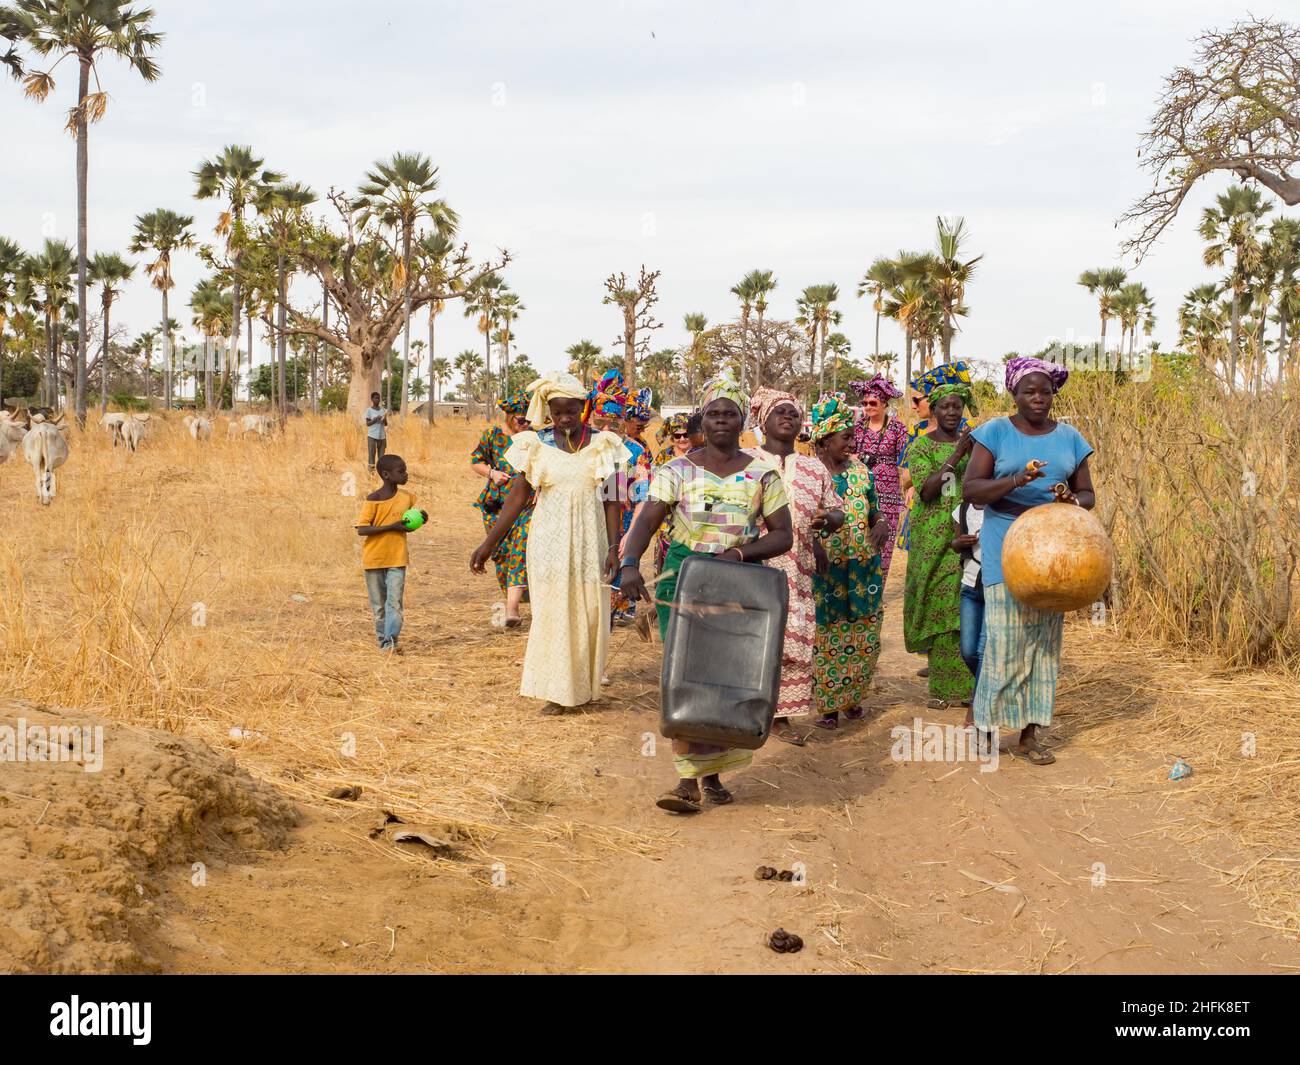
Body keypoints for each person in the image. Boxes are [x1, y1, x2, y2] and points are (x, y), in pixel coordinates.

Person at [619, 376, 793, 813]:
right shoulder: (675, 470)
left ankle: (712, 774)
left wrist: (739, 554)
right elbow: (646, 521)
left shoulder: (762, 472)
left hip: (741, 584)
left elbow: (784, 536)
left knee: (729, 679)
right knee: (685, 676)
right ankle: (686, 781)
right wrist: (628, 563)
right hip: (684, 578)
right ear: (702, 417)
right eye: (713, 413)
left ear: (743, 419)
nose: (720, 421)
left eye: (729, 413)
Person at [962, 357, 1095, 765]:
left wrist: (1072, 501)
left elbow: (1088, 495)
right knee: (1004, 641)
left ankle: (1029, 736)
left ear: (1054, 394)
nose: (1038, 399)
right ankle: (985, 725)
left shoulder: (1071, 437)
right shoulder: (995, 433)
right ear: (1014, 394)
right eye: (1029, 391)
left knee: (1043, 644)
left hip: (1055, 552)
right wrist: (1016, 481)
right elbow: (972, 489)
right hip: (1005, 543)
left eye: (1045, 391)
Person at [470, 371, 628, 713]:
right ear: (549, 410)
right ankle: (556, 693)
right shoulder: (535, 445)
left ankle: (582, 688)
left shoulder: (605, 444)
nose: (564, 418)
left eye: (571, 410)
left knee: (587, 609)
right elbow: (516, 498)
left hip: (591, 539)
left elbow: (614, 499)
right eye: (557, 411)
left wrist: (615, 547)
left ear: (582, 408)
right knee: (552, 611)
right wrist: (489, 543)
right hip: (548, 540)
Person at [747, 387, 844, 745]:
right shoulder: (747, 461)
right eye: (779, 413)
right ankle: (750, 710)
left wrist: (830, 521)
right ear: (764, 421)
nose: (788, 417)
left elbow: (835, 508)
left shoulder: (813, 466)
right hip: (755, 564)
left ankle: (782, 716)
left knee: (792, 639)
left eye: (793, 413)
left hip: (799, 565)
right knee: (755, 636)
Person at [810, 394, 891, 729]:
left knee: (863, 632)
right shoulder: (810, 474)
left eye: (853, 437)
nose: (852, 443)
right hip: (825, 569)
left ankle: (853, 697)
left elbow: (874, 509)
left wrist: (882, 523)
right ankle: (828, 705)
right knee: (827, 633)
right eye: (845, 438)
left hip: (862, 567)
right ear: (826, 440)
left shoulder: (861, 472)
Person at [903, 383, 978, 708]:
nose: (951, 412)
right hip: (932, 538)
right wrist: (958, 453)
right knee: (937, 603)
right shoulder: (920, 447)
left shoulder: (978, 447)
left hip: (969, 536)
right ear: (933, 410)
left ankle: (969, 687)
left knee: (965, 604)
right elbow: (928, 490)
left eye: (957, 406)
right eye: (945, 406)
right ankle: (942, 687)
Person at [469, 389, 532, 627]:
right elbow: (476, 461)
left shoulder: (534, 439)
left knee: (520, 549)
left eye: (529, 419)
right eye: (521, 419)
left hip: (526, 505)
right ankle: (512, 602)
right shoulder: (493, 436)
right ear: (509, 416)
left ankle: (513, 608)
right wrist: (492, 473)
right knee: (502, 555)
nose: (525, 423)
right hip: (496, 505)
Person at [355, 454, 426, 653]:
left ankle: (390, 642)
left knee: (394, 602)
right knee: (379, 606)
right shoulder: (373, 499)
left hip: (397, 557)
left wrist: (420, 519)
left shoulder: (407, 498)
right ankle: (382, 639)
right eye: (400, 471)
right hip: (374, 559)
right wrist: (391, 527)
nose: (406, 474)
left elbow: (407, 524)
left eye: (405, 470)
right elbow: (362, 529)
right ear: (386, 475)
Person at [848, 375, 908, 580]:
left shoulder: (898, 428)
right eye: (864, 403)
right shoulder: (858, 427)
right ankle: (862, 592)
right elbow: (845, 453)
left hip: (889, 497)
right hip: (860, 493)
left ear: (884, 403)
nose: (868, 407)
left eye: (872, 403)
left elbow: (906, 461)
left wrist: (910, 488)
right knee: (860, 543)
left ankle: (877, 594)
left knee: (884, 546)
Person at [952, 498, 986, 726]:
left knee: (983, 652)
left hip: (994, 586)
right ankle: (989, 686)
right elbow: (954, 544)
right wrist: (960, 542)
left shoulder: (1001, 507)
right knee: (968, 651)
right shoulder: (962, 509)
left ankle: (977, 704)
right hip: (970, 584)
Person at [652, 412, 696, 575]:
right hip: (665, 513)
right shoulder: (664, 456)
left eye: (686, 435)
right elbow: (653, 481)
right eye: (678, 436)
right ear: (672, 437)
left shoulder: (700, 454)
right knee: (665, 553)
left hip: (692, 514)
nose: (682, 439)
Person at [364, 391, 388, 472]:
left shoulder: (383, 410)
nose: (378, 400)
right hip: (372, 436)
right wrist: (375, 420)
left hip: (382, 436)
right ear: (372, 399)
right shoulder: (369, 410)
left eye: (379, 398)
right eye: (376, 398)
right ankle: (371, 473)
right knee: (372, 454)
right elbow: (367, 424)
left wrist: (384, 420)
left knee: (382, 457)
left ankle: (381, 473)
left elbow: (385, 424)